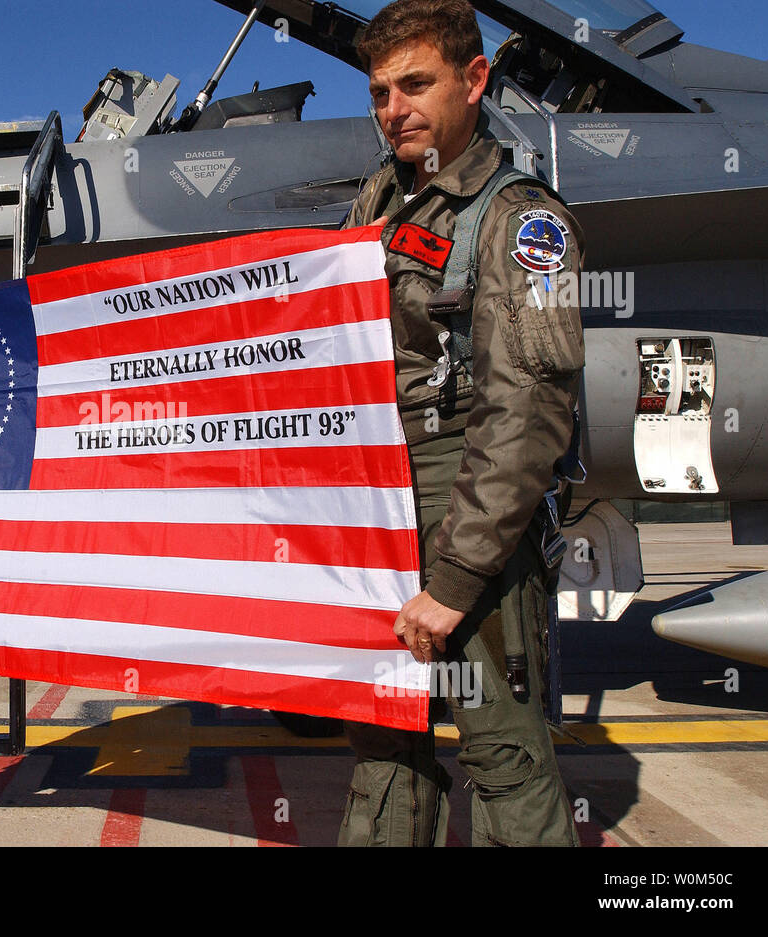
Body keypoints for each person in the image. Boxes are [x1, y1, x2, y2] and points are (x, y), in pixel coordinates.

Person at [338, 0, 584, 846]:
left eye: (415, 85)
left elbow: (530, 409)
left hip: (465, 492)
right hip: (378, 502)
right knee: (385, 752)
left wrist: (456, 580)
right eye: (379, 93)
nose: (393, 110)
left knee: (505, 757)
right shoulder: (376, 204)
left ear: (475, 81)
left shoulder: (521, 220)